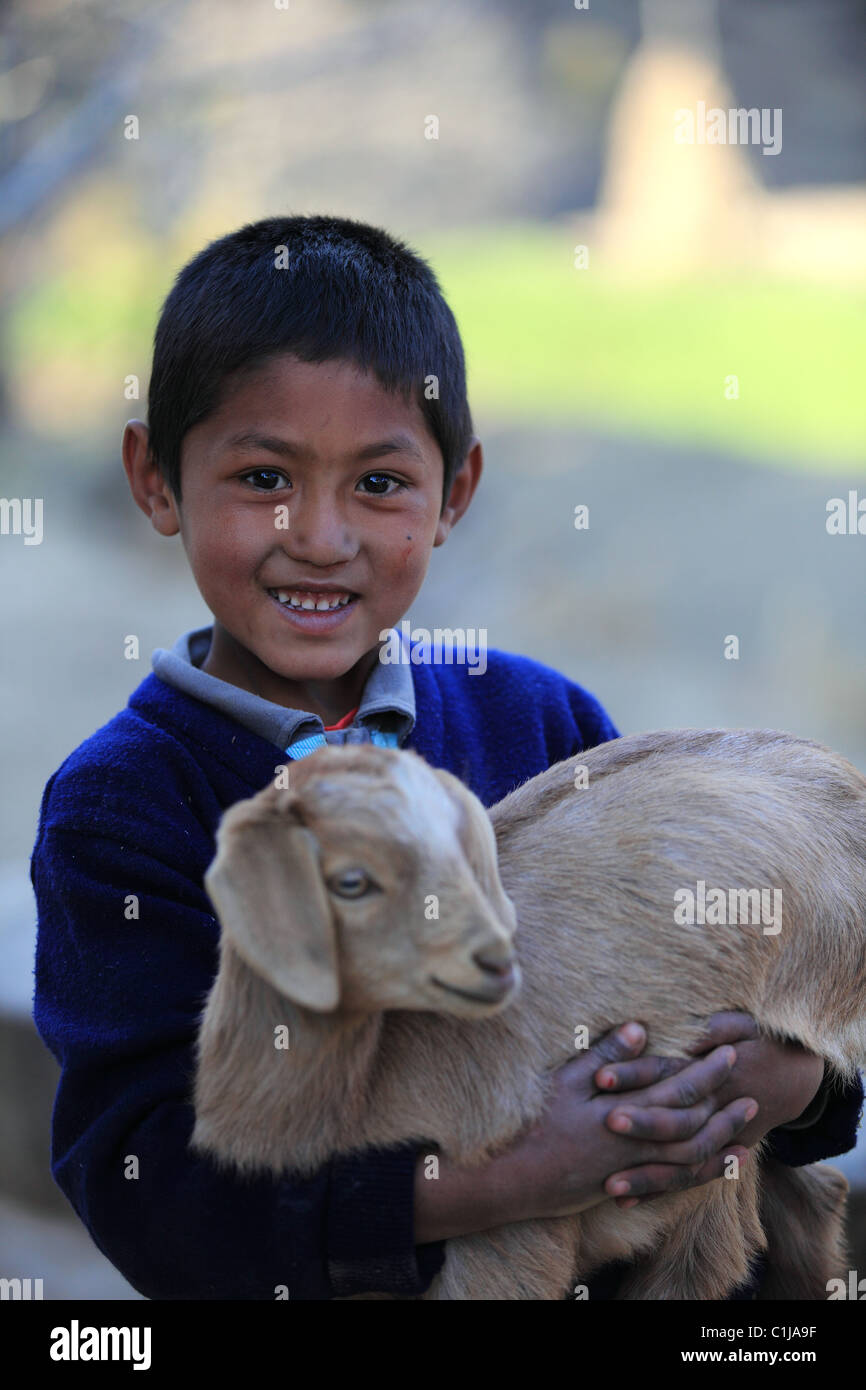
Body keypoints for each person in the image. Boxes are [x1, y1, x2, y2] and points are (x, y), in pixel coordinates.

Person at [31, 215, 862, 1301]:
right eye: (262, 475)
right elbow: (150, 1188)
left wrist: (791, 1086)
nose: (321, 535)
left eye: (379, 484)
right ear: (156, 480)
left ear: (454, 491)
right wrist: (501, 1182)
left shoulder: (539, 720)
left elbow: (746, 1009)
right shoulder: (127, 805)